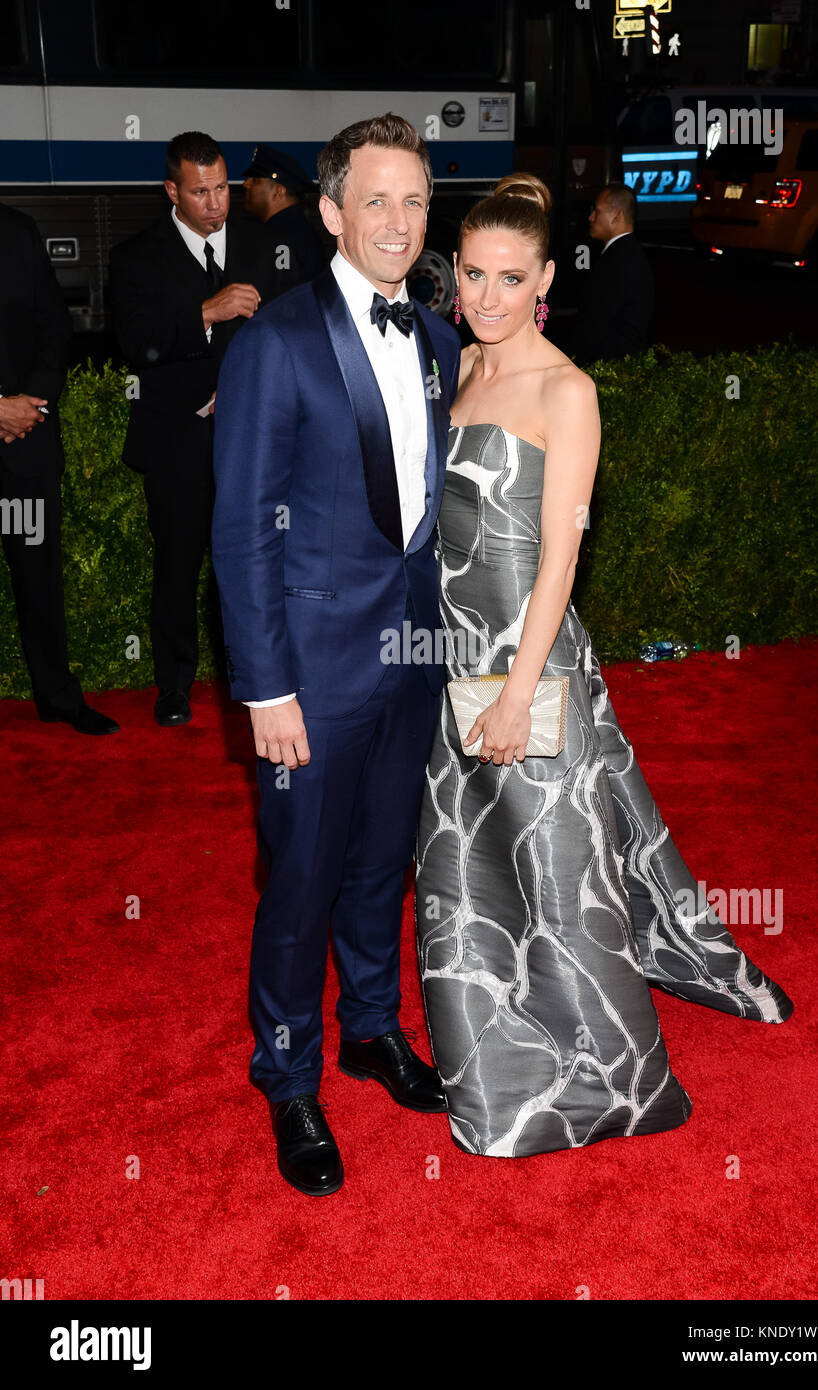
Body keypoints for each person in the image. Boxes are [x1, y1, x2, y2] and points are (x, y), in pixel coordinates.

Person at [415, 173, 793, 1159]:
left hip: (524, 660)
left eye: (509, 277)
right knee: (463, 873)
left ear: (545, 278)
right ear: (453, 273)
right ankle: (487, 1067)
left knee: (556, 871)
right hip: (451, 653)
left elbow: (561, 558)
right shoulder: (455, 369)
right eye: (471, 274)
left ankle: (604, 1080)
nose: (487, 296)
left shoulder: (566, 391)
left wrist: (517, 693)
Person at [211, 114, 462, 1197]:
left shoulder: (442, 340)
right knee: (301, 880)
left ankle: (369, 1027)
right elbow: (238, 523)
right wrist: (264, 684)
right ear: (329, 213)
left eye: (414, 201)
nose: (399, 222)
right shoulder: (277, 340)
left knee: (381, 865)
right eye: (376, 200)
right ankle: (289, 1075)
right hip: (308, 673)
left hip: (415, 657)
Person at [110, 131, 281, 728]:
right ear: (171, 191)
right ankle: (174, 686)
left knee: (260, 565)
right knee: (177, 568)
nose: (215, 203)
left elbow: (291, 334)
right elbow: (137, 344)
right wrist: (207, 312)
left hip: (255, 438)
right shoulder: (138, 254)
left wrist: (245, 390)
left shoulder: (264, 245)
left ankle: (260, 681)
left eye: (221, 189)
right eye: (199, 192)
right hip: (177, 443)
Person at [0, 203, 118, 735]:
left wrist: (30, 402)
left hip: (23, 444)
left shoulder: (17, 229)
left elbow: (55, 325)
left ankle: (57, 697)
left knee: (39, 581)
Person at [573, 182, 655, 364]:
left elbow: (597, 325)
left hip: (611, 369)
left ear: (617, 215)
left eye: (597, 211)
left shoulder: (621, 260)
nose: (591, 217)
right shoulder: (623, 254)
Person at [242, 142, 328, 289]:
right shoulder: (295, 229)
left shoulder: (281, 236)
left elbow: (281, 295)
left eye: (256, 180)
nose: (246, 184)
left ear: (278, 191)